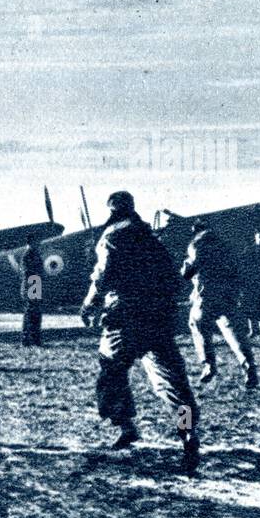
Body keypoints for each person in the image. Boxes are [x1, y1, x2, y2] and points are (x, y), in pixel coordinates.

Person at [80, 190, 201, 474]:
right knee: (173, 384)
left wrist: (88, 304)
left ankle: (126, 426)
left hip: (124, 319)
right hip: (157, 320)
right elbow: (174, 278)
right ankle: (188, 434)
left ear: (112, 210)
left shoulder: (111, 237)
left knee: (111, 370)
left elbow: (102, 276)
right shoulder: (151, 238)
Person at [181, 221, 258, 388]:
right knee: (233, 331)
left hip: (205, 297)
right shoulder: (226, 245)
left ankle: (208, 365)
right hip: (228, 294)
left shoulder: (196, 246)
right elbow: (238, 270)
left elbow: (187, 273)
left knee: (197, 324)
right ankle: (249, 366)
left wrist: (186, 263)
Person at [20, 237, 45, 347]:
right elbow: (28, 271)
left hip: (34, 283)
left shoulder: (31, 253)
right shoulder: (29, 254)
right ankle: (30, 340)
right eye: (37, 241)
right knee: (32, 313)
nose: (39, 243)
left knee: (34, 313)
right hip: (32, 283)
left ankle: (32, 339)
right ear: (31, 242)